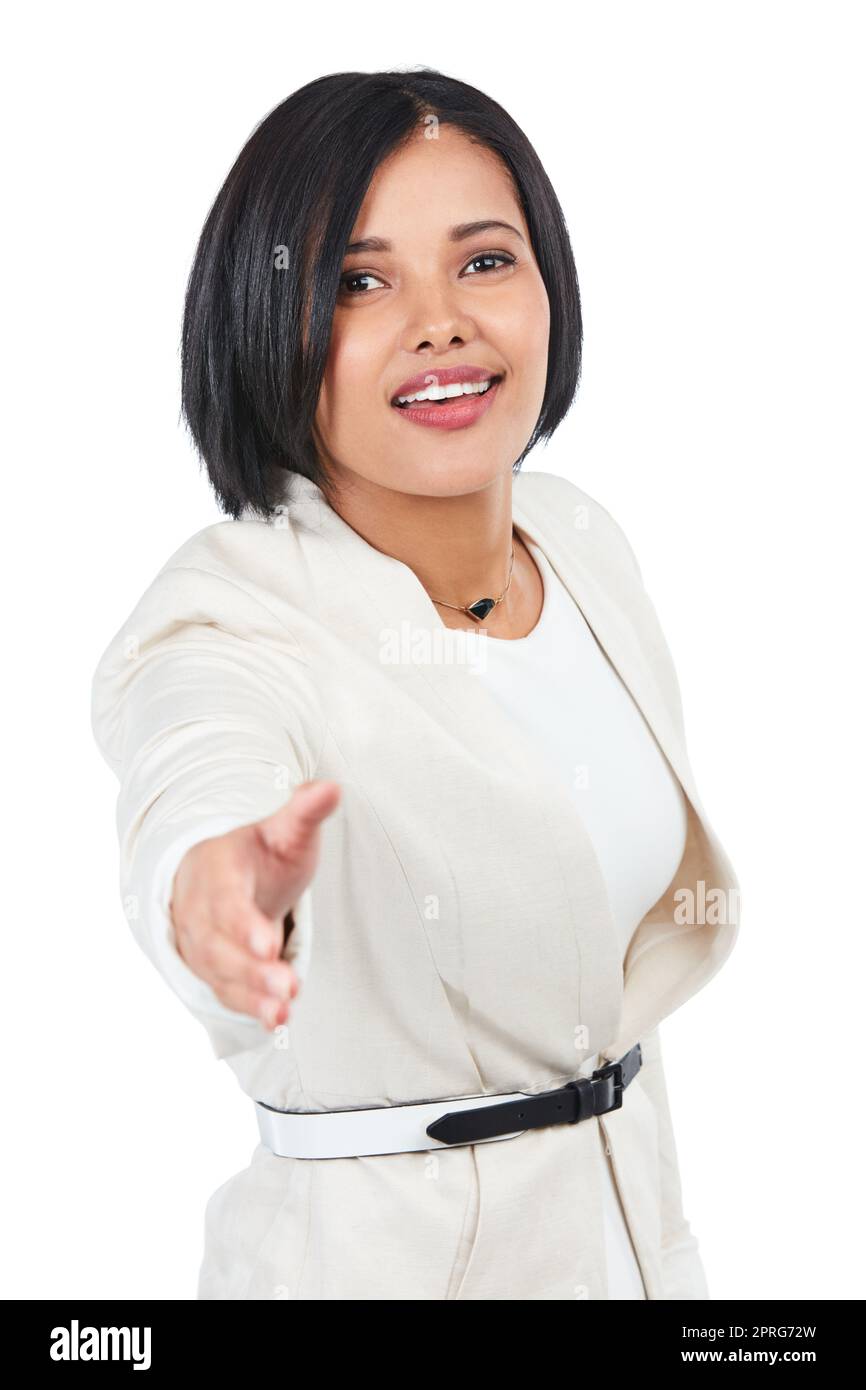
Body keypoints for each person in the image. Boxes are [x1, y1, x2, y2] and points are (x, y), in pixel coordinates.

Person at [90, 67, 740, 1300]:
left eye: (484, 261)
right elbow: (196, 766)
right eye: (357, 280)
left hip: (633, 1253)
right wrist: (219, 895)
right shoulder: (230, 611)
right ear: (260, 320)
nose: (439, 321)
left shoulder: (583, 545)